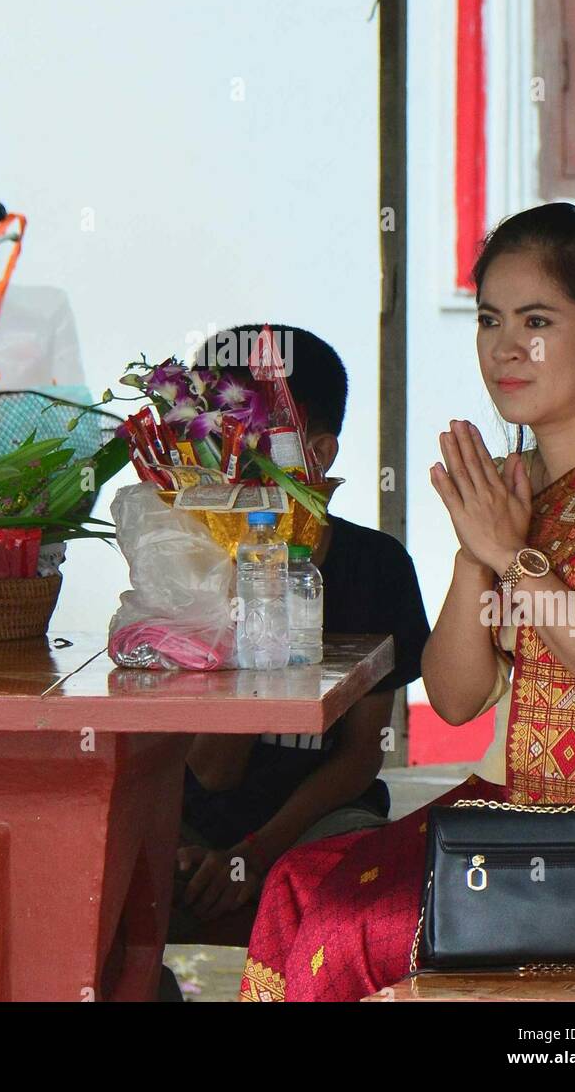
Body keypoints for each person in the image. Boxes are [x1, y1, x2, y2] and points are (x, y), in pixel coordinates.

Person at [240, 204, 575, 1002]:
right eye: (489, 320)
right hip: (508, 809)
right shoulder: (519, 489)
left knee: (351, 927)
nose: (504, 348)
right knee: (298, 887)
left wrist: (515, 559)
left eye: (537, 320)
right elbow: (452, 698)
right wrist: (472, 556)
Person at [167, 324, 431, 948]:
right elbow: (207, 771)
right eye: (211, 438)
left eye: (249, 440)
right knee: (112, 877)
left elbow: (362, 752)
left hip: (319, 817)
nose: (224, 461)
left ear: (318, 452)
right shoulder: (182, 559)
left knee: (354, 895)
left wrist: (257, 854)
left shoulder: (377, 566)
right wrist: (240, 578)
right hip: (191, 820)